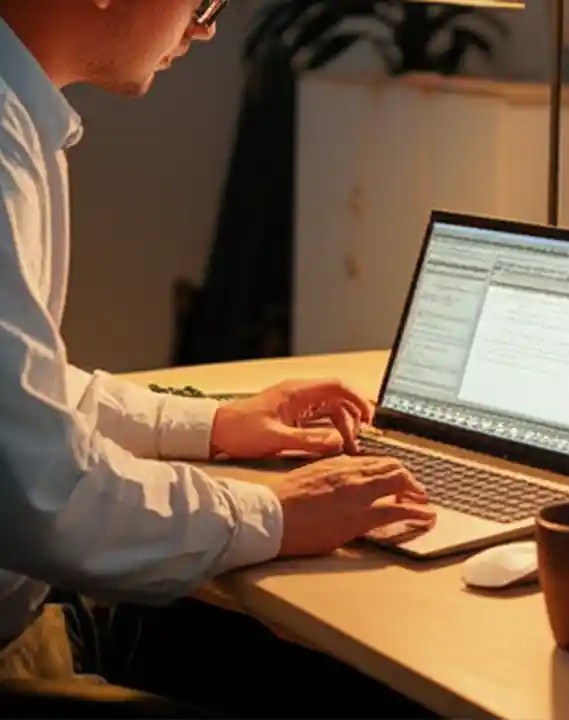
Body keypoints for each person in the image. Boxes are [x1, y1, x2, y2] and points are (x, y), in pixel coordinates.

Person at [0, 0, 436, 714]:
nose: (204, 29)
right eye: (204, 3)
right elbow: (42, 494)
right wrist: (271, 512)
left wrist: (217, 425)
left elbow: (23, 399)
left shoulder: (18, 113)